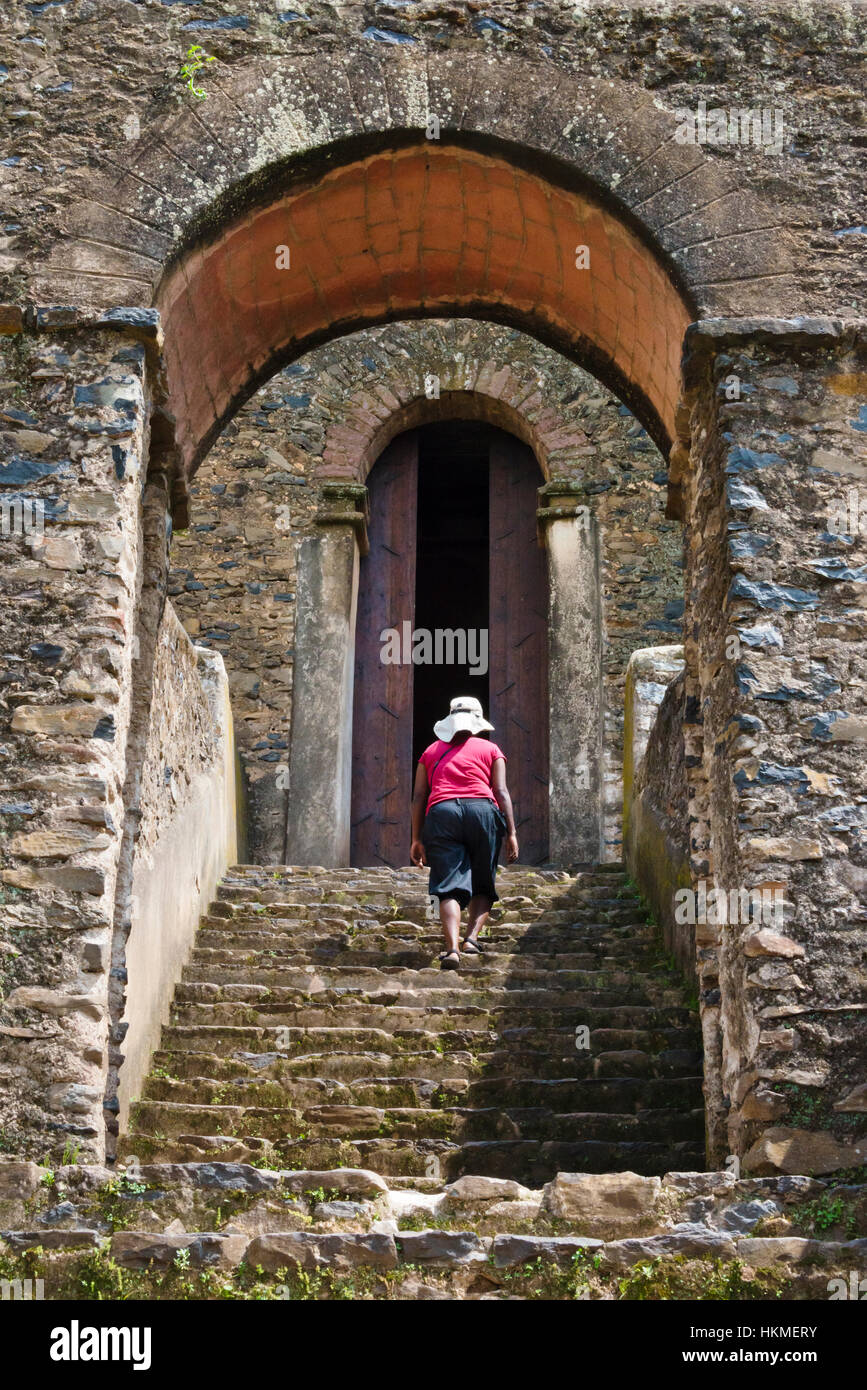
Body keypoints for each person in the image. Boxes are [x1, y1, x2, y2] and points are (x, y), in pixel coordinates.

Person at [410, 695, 519, 971]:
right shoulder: (491, 749)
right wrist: (512, 832)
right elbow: (501, 791)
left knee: (447, 884)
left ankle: (453, 950)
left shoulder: (431, 751)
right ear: (478, 722)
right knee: (483, 880)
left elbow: (419, 796)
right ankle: (471, 939)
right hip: (483, 812)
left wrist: (416, 838)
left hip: (442, 813)